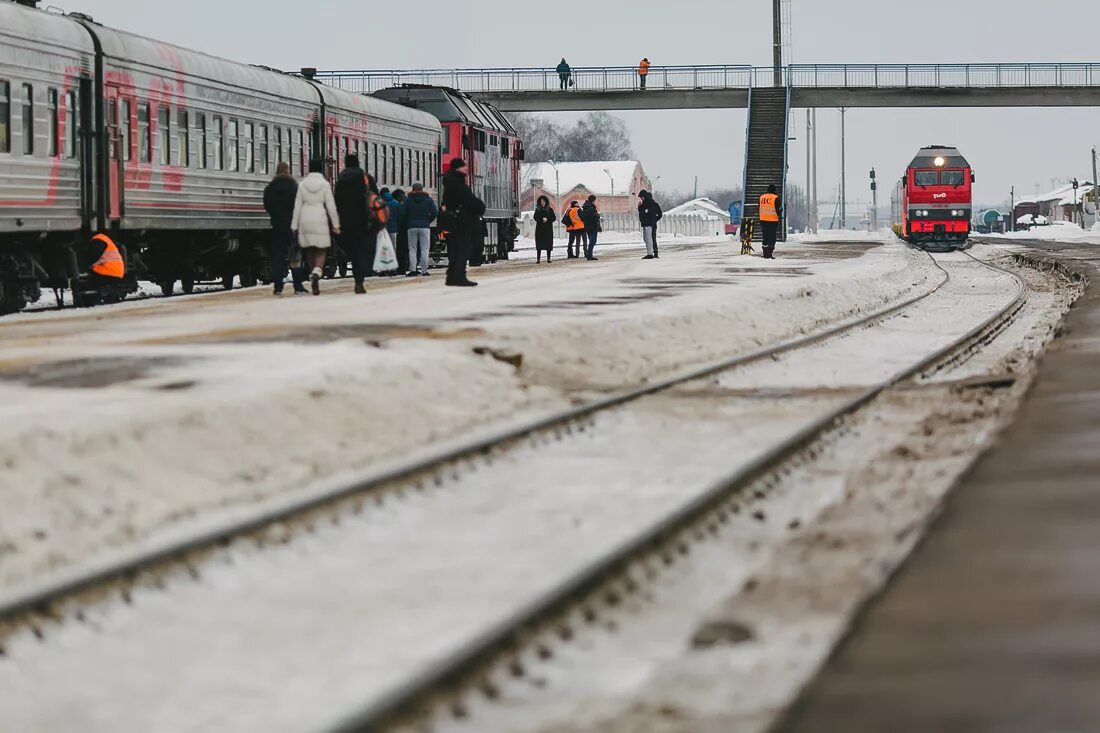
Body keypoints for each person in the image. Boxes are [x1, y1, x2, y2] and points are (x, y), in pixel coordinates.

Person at [291, 158, 341, 295]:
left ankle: (312, 271)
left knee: (309, 250)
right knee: (320, 249)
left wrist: (294, 225)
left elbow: (297, 206)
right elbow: (331, 205)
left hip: (305, 218)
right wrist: (336, 224)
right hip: (320, 218)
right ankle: (317, 272)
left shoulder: (302, 184)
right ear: (321, 170)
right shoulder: (325, 184)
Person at [440, 158, 486, 287]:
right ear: (457, 168)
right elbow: (467, 199)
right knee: (463, 248)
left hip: (454, 220)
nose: (466, 168)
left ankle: (452, 275)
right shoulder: (457, 182)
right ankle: (459, 276)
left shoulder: (450, 181)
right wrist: (480, 207)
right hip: (461, 221)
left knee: (455, 248)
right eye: (464, 166)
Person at [264, 162, 307, 294]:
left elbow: (267, 206)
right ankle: (298, 286)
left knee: (278, 257)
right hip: (293, 227)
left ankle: (278, 287)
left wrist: (276, 217)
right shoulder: (295, 187)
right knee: (295, 257)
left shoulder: (270, 188)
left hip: (277, 226)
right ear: (288, 171)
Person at [333, 153, 372, 294]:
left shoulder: (341, 179)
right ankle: (359, 280)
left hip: (345, 219)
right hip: (362, 218)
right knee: (361, 249)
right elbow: (374, 195)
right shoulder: (364, 177)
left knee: (352, 249)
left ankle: (352, 266)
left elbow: (336, 200)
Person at [401, 182, 437, 276]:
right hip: (425, 227)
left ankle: (413, 270)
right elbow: (434, 212)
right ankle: (424, 270)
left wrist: (408, 222)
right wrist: (427, 221)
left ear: (412, 189)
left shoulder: (408, 200)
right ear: (422, 189)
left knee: (412, 249)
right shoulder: (428, 200)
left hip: (411, 227)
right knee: (424, 249)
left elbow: (403, 213)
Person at [637, 189, 663, 259]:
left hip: (649, 224)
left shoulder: (649, 204)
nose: (641, 198)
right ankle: (653, 253)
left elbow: (648, 212)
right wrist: (639, 207)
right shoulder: (646, 203)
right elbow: (642, 212)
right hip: (647, 223)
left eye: (642, 197)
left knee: (649, 238)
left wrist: (653, 220)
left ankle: (650, 254)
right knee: (648, 238)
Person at [759, 184, 781, 259]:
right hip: (772, 220)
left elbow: (759, 207)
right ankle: (769, 254)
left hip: (763, 220)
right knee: (772, 238)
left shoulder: (762, 197)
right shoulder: (776, 198)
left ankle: (765, 253)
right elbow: (778, 209)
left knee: (765, 237)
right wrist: (779, 216)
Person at [533, 195, 556, 264]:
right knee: (539, 244)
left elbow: (554, 218)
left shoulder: (550, 209)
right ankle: (538, 259)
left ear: (546, 202)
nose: (542, 202)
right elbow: (535, 217)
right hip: (540, 229)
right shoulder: (538, 210)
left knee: (548, 244)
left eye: (543, 201)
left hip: (548, 229)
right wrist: (541, 219)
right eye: (541, 201)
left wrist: (547, 219)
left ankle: (548, 258)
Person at [393, 188, 409, 275]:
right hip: (407, 228)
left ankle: (402, 268)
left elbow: (401, 218)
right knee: (406, 249)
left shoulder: (402, 205)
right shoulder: (407, 202)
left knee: (401, 250)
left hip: (402, 229)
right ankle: (405, 267)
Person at [581, 195, 601, 260]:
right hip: (593, 226)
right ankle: (589, 255)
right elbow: (595, 216)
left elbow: (583, 217)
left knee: (591, 240)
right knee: (593, 241)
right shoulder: (591, 208)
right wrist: (598, 215)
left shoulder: (585, 207)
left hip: (587, 226)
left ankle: (589, 254)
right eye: (595, 201)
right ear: (593, 201)